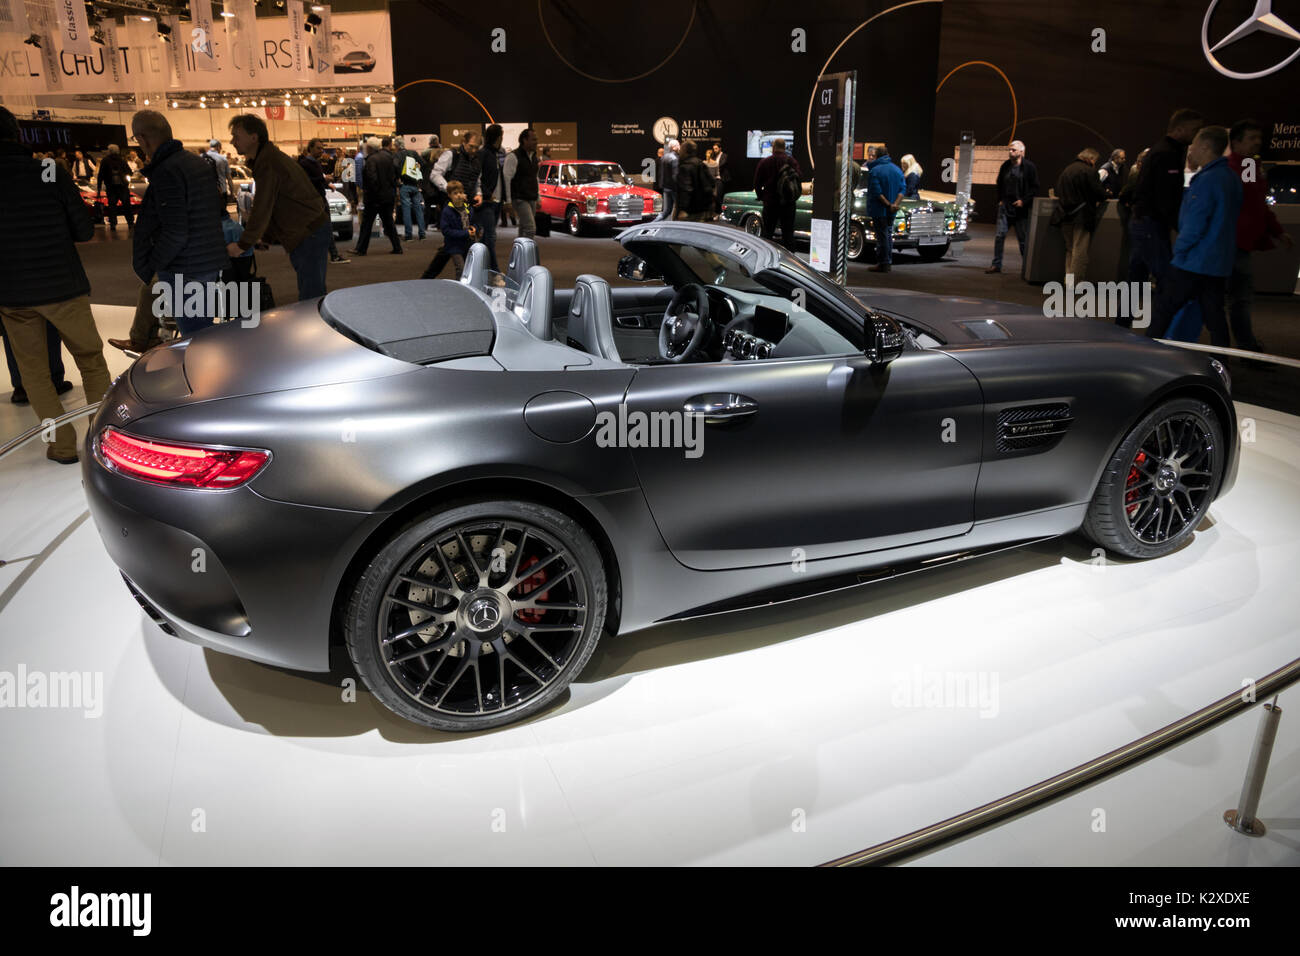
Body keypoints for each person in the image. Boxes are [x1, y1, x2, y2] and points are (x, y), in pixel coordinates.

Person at [0, 106, 112, 464]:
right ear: (17, 134)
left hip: (13, 294)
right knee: (91, 362)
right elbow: (84, 230)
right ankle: (101, 441)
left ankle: (61, 446)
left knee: (34, 375)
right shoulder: (49, 171)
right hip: (63, 286)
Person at [130, 109, 228, 337]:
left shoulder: (167, 170)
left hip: (184, 266)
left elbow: (175, 231)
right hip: (207, 260)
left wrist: (155, 263)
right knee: (202, 333)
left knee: (194, 337)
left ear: (143, 139)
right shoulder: (196, 163)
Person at [1145, 126, 1242, 347]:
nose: (1190, 151)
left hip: (1193, 261)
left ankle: (1145, 354)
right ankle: (1221, 359)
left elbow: (1195, 224)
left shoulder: (1206, 180)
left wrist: (1179, 251)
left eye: (1194, 146)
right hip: (1218, 263)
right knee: (1215, 317)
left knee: (1164, 310)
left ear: (1205, 147)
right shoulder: (1231, 178)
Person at [227, 113, 333, 299]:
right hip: (309, 231)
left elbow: (262, 206)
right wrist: (267, 236)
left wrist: (242, 245)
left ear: (254, 137)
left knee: (311, 295)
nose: (232, 141)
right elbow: (276, 204)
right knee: (313, 292)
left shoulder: (268, 162)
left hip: (308, 233)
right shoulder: (267, 159)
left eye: (236, 136)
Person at [1225, 119, 1293, 352]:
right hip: (1231, 243)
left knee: (1235, 297)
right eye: (1251, 138)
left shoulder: (1249, 166)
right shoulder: (1233, 168)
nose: (1257, 142)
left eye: (1259, 138)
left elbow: (1257, 205)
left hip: (1238, 243)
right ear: (1236, 142)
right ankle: (1242, 347)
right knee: (1236, 298)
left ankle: (1239, 345)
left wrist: (1278, 231)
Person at [1127, 108, 1204, 288]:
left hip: (1146, 220)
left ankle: (1129, 308)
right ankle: (1163, 308)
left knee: (1138, 275)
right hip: (1151, 222)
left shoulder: (1163, 150)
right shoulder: (1167, 153)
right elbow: (1165, 195)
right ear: (1180, 129)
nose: (1196, 135)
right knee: (1166, 279)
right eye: (1194, 130)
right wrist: (1180, 225)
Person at [1054, 148, 1108, 282]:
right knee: (1080, 251)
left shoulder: (1067, 170)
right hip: (1082, 216)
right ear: (1091, 159)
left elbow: (1058, 191)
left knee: (1070, 249)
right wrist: (1107, 193)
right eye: (1095, 161)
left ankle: (1068, 280)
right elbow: (1099, 193)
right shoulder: (1089, 171)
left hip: (1064, 215)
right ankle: (1076, 282)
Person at [986, 140, 1038, 274]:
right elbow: (999, 183)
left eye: (1013, 150)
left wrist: (1023, 201)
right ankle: (996, 264)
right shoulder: (1006, 165)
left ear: (1021, 152)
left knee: (1023, 240)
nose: (1010, 152)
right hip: (1005, 207)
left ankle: (1026, 268)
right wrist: (1000, 200)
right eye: (1009, 150)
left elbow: (1034, 188)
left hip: (1021, 210)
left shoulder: (1029, 167)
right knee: (1000, 236)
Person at [298, 138, 348, 264]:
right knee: (322, 228)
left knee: (324, 228)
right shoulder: (305, 164)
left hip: (319, 199)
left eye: (322, 148)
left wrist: (326, 184)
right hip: (314, 201)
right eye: (318, 148)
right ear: (310, 148)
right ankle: (331, 255)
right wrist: (323, 180)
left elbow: (316, 180)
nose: (321, 151)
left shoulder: (315, 162)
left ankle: (331, 255)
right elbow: (305, 182)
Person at [353, 136, 402, 256]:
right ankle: (397, 247)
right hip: (387, 196)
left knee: (366, 224)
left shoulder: (371, 160)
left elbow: (372, 179)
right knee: (389, 223)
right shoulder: (388, 157)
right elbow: (394, 176)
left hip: (374, 198)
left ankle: (361, 249)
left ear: (369, 147)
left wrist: (370, 193)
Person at [420, 180, 476, 280]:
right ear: (449, 195)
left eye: (461, 192)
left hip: (467, 244)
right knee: (461, 269)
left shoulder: (468, 208)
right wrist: (465, 233)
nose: (459, 195)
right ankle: (459, 287)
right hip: (454, 245)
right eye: (455, 193)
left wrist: (474, 228)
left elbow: (473, 222)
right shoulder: (447, 211)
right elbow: (446, 231)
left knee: (468, 269)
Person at [753, 137, 801, 250]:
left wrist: (762, 196)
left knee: (767, 233)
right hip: (788, 203)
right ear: (784, 147)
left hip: (770, 203)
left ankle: (767, 257)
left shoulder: (764, 162)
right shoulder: (792, 161)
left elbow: (757, 183)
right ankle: (790, 258)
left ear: (773, 147)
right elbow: (799, 178)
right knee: (788, 234)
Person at [865, 144, 906, 272]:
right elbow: (902, 189)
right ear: (887, 155)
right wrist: (895, 205)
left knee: (882, 236)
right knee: (888, 234)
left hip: (879, 209)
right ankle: (887, 261)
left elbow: (877, 192)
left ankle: (883, 263)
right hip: (892, 210)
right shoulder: (897, 170)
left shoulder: (874, 171)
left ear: (877, 156)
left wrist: (888, 205)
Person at [475, 125, 504, 271]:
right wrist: (486, 194)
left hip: (496, 201)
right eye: (501, 136)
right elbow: (477, 176)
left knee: (487, 237)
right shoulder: (484, 154)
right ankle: (494, 271)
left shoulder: (494, 155)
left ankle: (480, 268)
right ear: (497, 137)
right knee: (490, 237)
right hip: (487, 202)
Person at [503, 127, 539, 239]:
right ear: (524, 140)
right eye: (533, 139)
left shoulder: (534, 157)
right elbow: (507, 179)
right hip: (519, 198)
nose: (536, 142)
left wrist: (538, 197)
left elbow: (535, 177)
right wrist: (508, 201)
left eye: (536, 139)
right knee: (530, 228)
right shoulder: (513, 156)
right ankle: (527, 249)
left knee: (524, 227)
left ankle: (519, 248)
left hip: (532, 197)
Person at [393, 136, 427, 241]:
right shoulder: (413, 153)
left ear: (396, 146)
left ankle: (409, 236)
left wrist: (399, 177)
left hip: (404, 185)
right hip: (415, 185)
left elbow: (395, 165)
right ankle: (422, 234)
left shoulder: (397, 155)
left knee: (406, 210)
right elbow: (423, 163)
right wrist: (417, 173)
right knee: (418, 210)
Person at [95, 143, 134, 232]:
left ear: (110, 151)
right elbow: (129, 172)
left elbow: (100, 175)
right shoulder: (122, 160)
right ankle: (130, 223)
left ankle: (113, 224)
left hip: (111, 187)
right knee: (126, 206)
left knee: (112, 207)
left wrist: (99, 187)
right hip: (122, 187)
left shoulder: (105, 160)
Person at [674, 139, 716, 222]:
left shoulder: (684, 166)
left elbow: (687, 189)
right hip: (703, 207)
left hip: (690, 209)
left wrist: (682, 209)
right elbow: (712, 182)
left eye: (681, 149)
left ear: (685, 151)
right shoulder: (700, 163)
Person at [657, 139, 680, 220]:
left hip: (666, 188)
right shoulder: (675, 158)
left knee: (666, 211)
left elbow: (660, 174)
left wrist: (662, 185)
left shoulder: (664, 157)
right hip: (674, 189)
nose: (679, 147)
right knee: (678, 209)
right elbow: (675, 176)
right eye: (678, 145)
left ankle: (652, 223)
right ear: (674, 147)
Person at [205, 138, 231, 204]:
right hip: (221, 191)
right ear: (218, 147)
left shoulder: (202, 158)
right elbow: (229, 178)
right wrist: (232, 191)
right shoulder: (223, 159)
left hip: (207, 193)